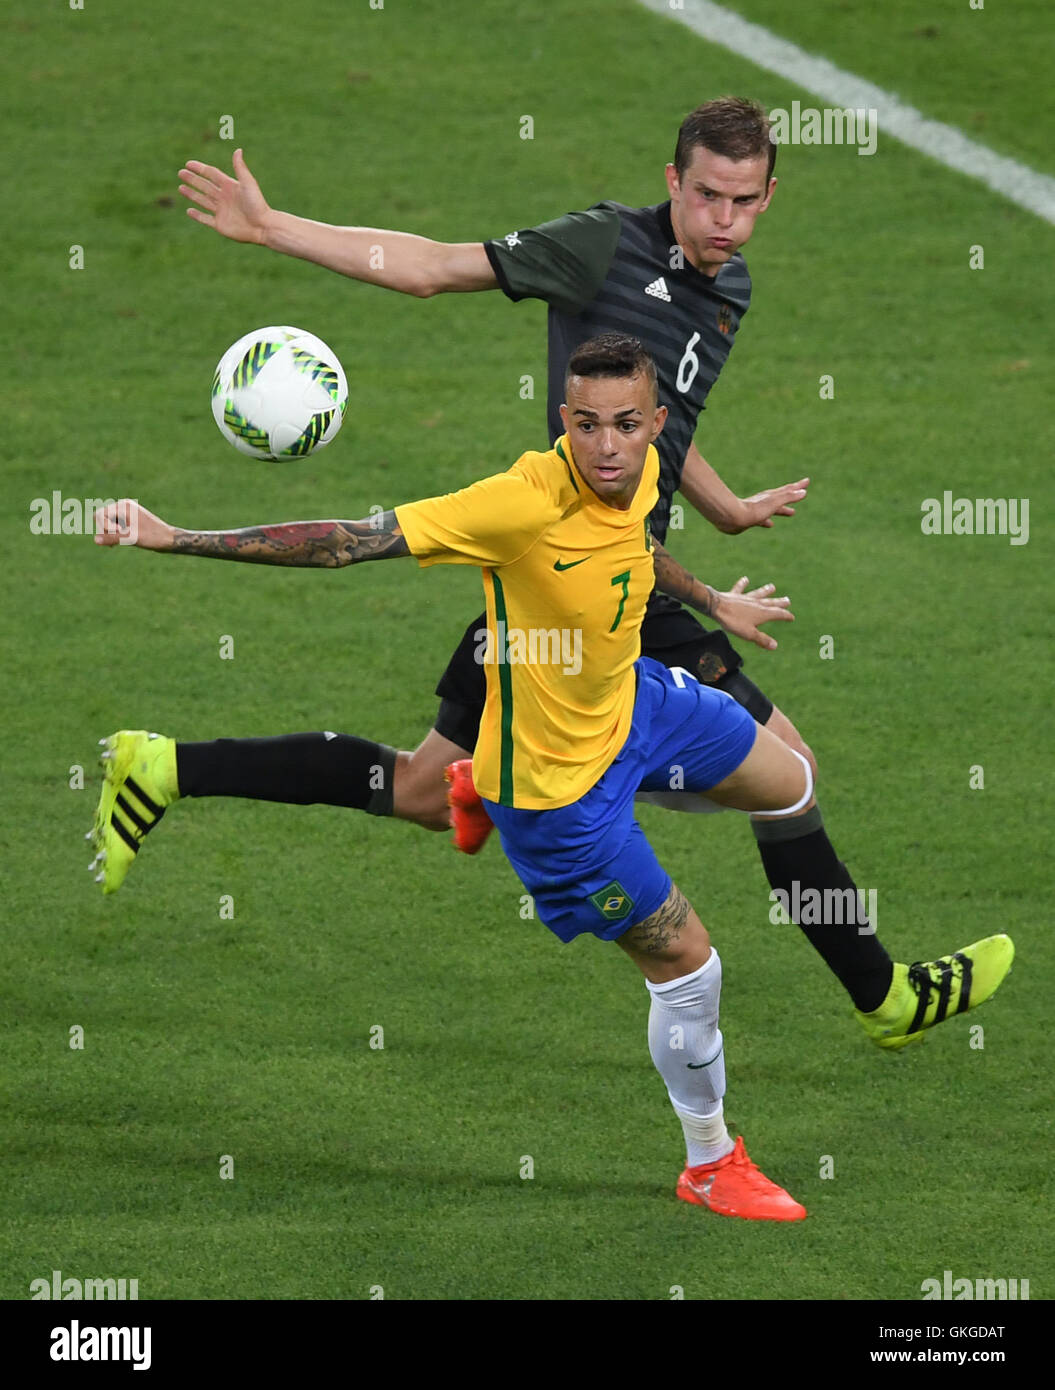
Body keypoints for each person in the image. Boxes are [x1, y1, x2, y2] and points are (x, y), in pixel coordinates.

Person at [89, 338, 1014, 1215]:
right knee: (688, 967)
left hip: (638, 704)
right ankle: (709, 1162)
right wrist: (175, 538)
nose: (604, 448)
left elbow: (636, 549)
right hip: (559, 798)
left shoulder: (637, 470)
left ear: (656, 423)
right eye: (584, 426)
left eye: (624, 425)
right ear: (561, 420)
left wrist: (709, 598)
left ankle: (883, 998)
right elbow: (349, 539)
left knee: (790, 782)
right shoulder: (519, 501)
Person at [164, 97, 1011, 1047]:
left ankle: (171, 766)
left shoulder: (728, 292)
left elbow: (658, 418)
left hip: (583, 583)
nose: (720, 220)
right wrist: (273, 227)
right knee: (789, 776)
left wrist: (726, 509)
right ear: (671, 185)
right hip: (600, 579)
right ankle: (883, 998)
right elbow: (433, 269)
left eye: (741, 201)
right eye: (703, 197)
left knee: (414, 790)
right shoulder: (601, 246)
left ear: (768, 197)